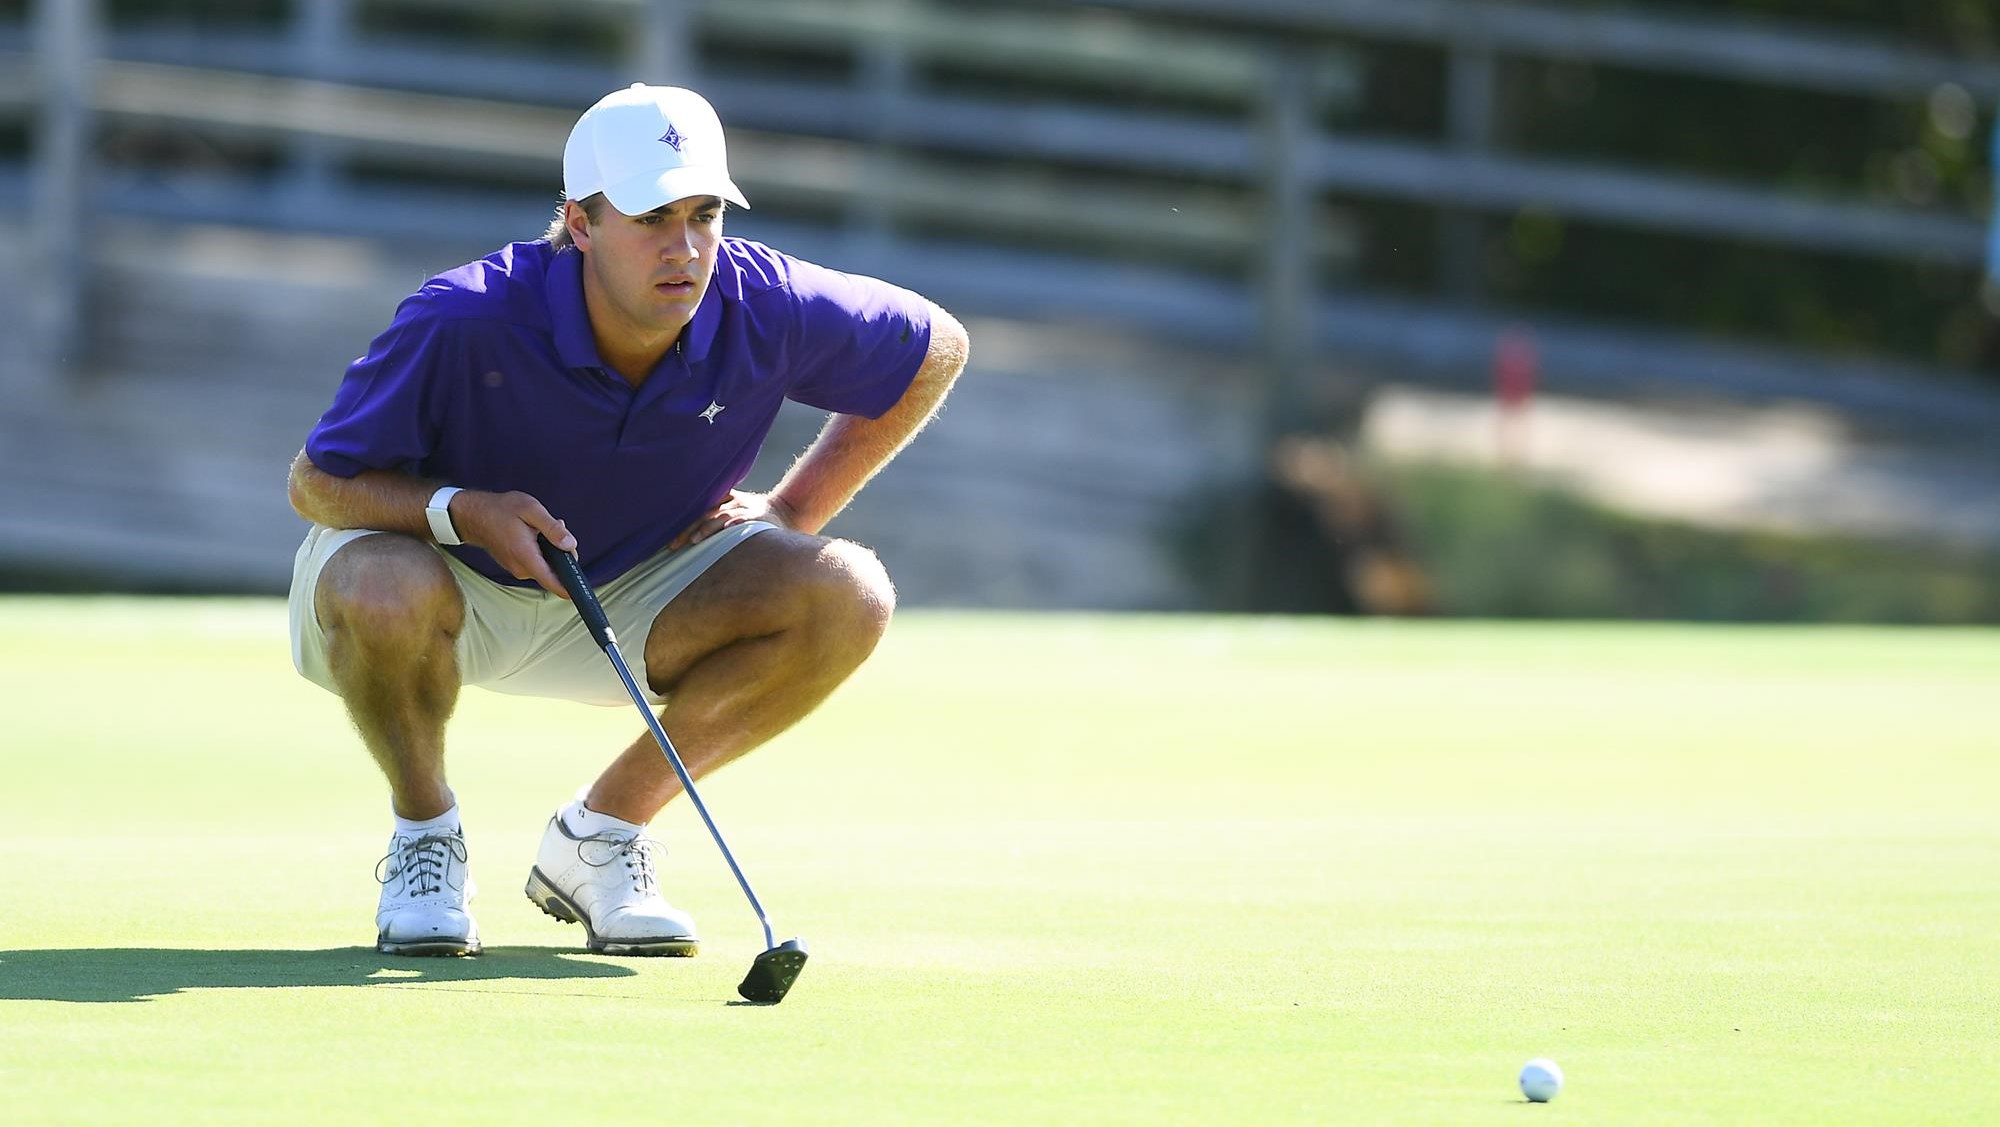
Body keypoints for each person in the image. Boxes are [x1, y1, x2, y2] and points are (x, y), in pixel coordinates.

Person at [285, 83, 969, 957]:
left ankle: (600, 836)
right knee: (376, 581)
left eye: (704, 213)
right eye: (650, 217)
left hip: (639, 593)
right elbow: (317, 481)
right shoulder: (466, 316)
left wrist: (794, 507)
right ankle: (428, 838)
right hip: (448, 583)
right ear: (580, 223)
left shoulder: (765, 301)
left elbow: (936, 345)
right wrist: (463, 510)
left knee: (850, 592)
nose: (683, 248)